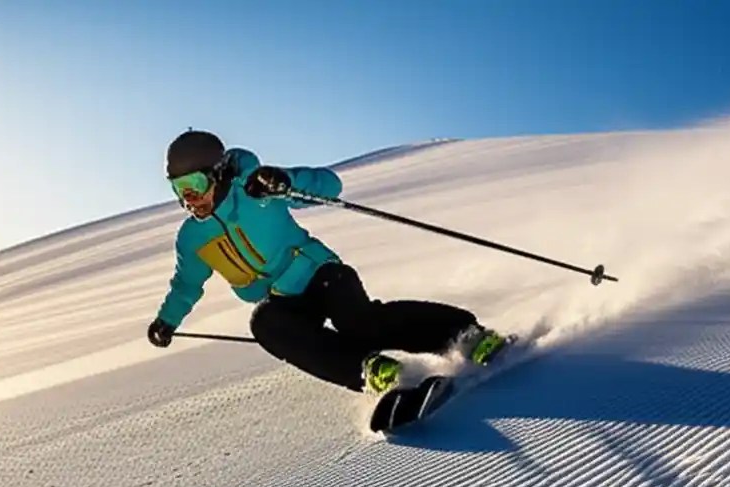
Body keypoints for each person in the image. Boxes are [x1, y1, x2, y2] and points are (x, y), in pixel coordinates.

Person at [147, 129, 508, 395]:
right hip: (285, 298)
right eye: (179, 189)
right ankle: (371, 372)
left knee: (361, 324)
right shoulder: (192, 238)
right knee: (265, 324)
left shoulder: (254, 189)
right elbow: (186, 284)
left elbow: (330, 186)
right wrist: (167, 321)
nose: (190, 199)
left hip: (321, 273)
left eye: (195, 184)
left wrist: (285, 182)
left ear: (218, 173)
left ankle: (466, 335)